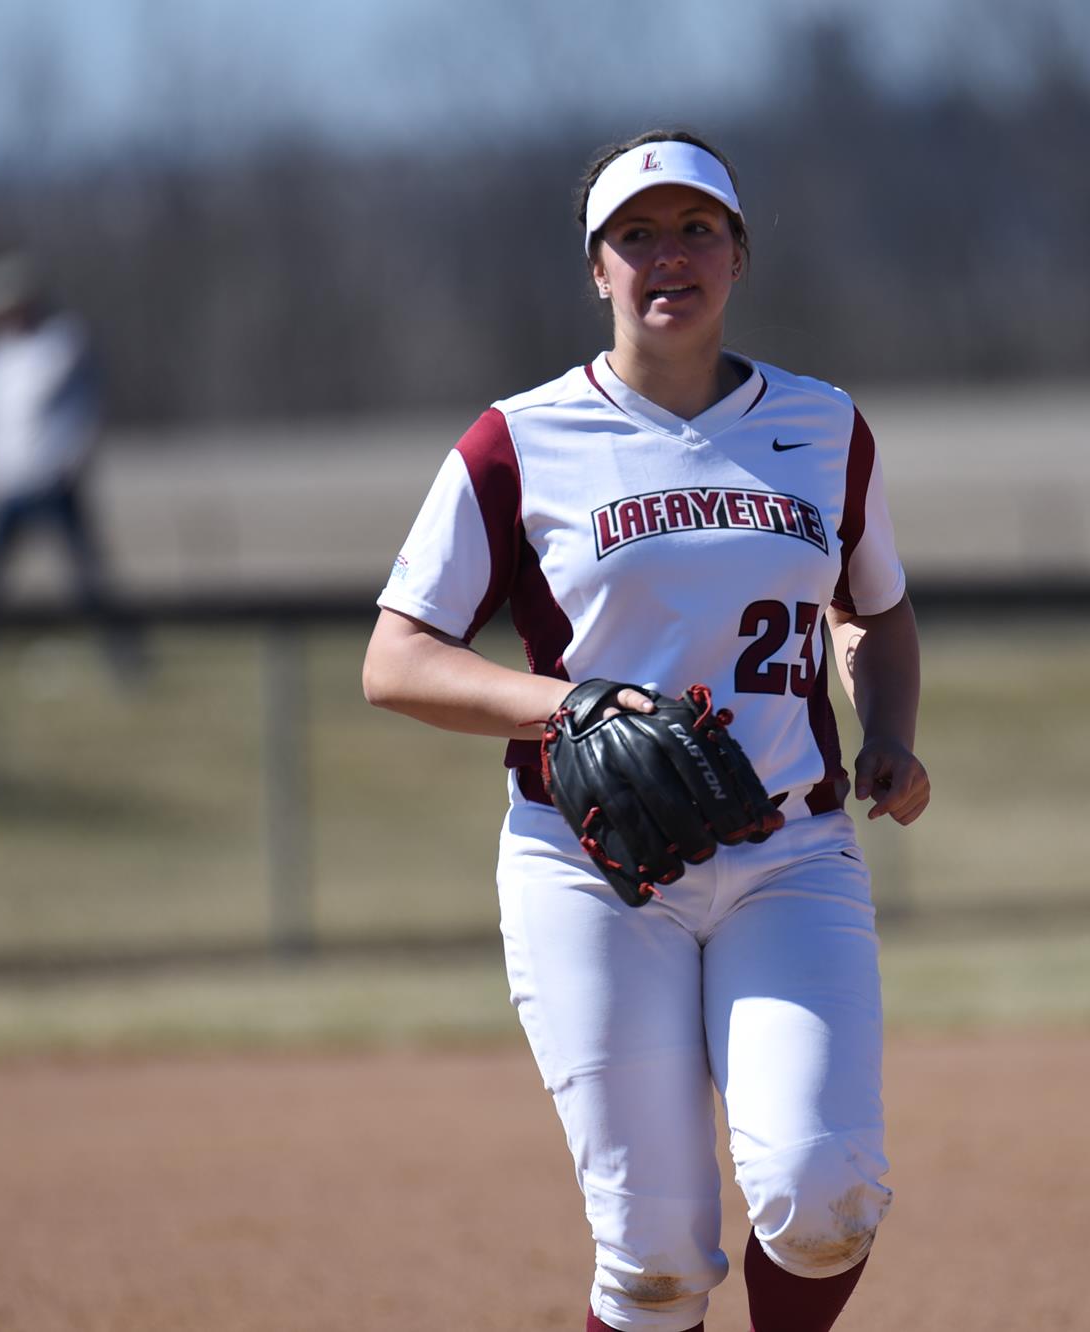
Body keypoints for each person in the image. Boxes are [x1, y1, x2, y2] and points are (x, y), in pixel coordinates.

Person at [362, 131, 930, 1332]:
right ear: (596, 268)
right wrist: (563, 701)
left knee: (822, 1192)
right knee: (657, 1258)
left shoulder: (826, 427)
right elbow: (395, 659)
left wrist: (886, 725)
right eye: (636, 235)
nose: (667, 256)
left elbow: (869, 609)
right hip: (591, 866)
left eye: (694, 230)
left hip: (790, 856)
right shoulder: (517, 442)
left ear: (736, 254)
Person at [0, 252, 142, 679]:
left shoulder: (59, 344)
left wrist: (73, 460)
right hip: (4, 486)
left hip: (52, 483)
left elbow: (77, 406)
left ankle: (124, 655)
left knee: (88, 576)